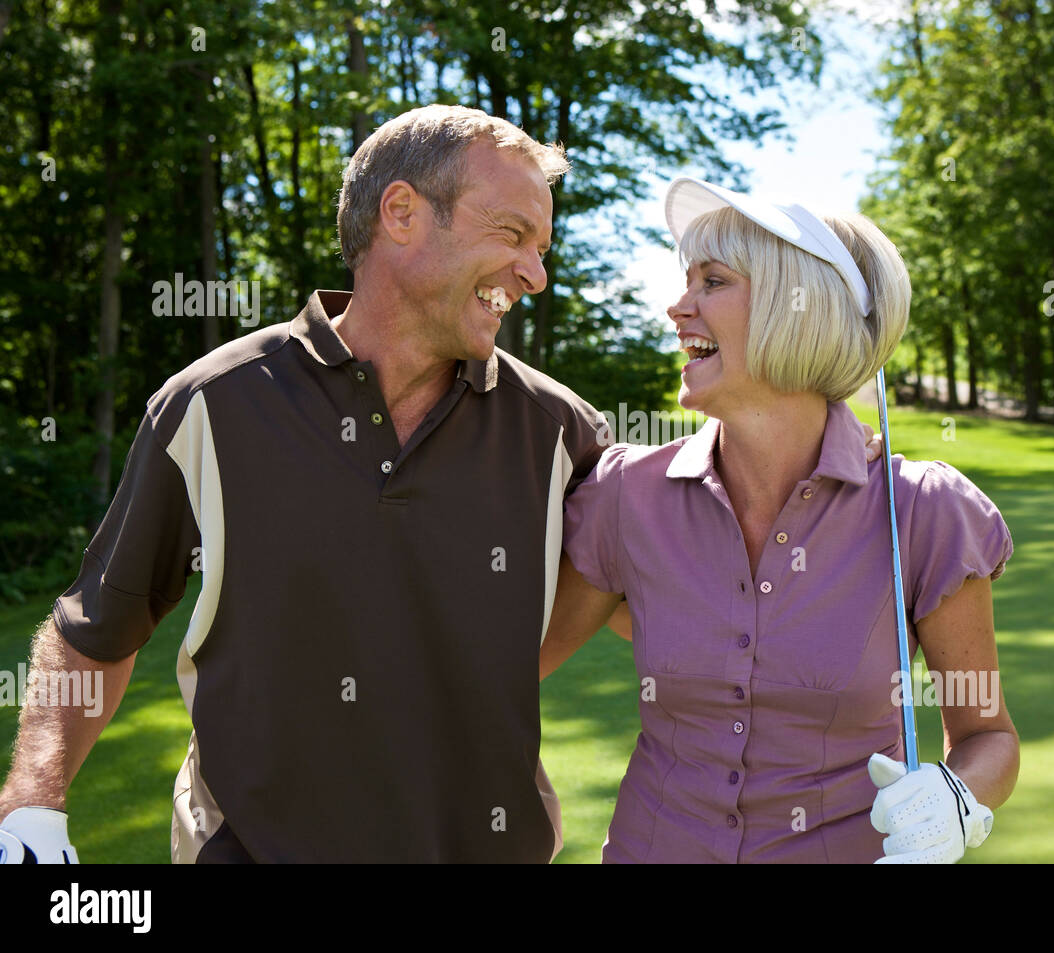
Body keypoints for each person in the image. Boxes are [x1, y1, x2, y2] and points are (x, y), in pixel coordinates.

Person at [0, 105, 612, 863]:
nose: (536, 274)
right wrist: (32, 802)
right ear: (401, 213)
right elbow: (95, 627)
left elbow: (670, 593)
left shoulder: (563, 433)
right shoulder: (211, 406)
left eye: (542, 247)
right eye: (513, 234)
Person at [540, 177, 1020, 863]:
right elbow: (507, 675)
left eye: (713, 281)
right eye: (687, 281)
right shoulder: (627, 495)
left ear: (799, 309)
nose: (678, 307)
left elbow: (989, 737)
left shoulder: (925, 512)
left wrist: (957, 795)